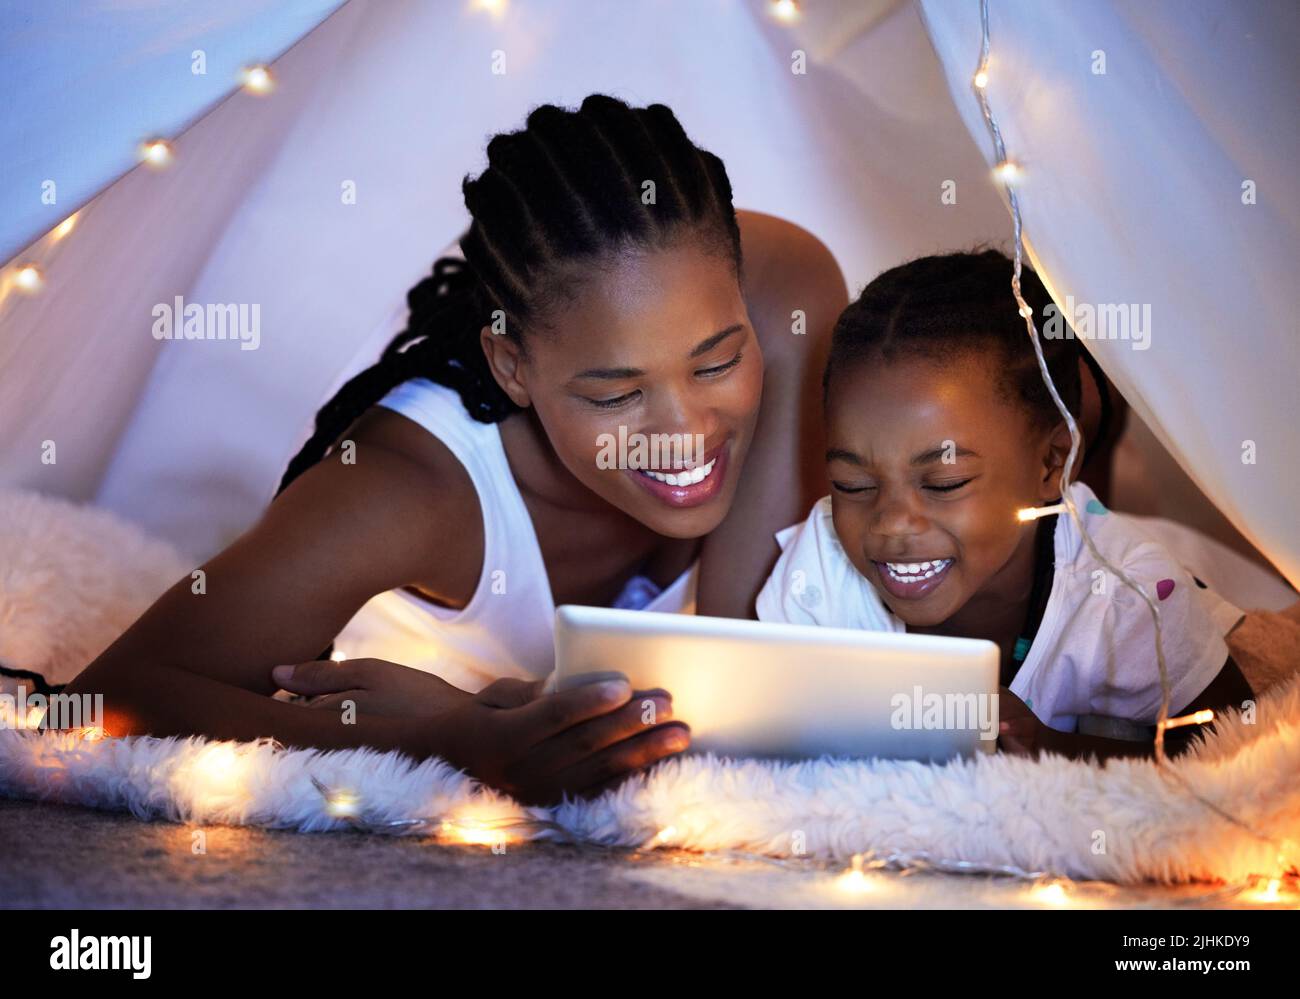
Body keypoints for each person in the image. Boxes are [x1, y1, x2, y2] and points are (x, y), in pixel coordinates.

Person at [65, 95, 848, 804]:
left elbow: (756, 680)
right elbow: (101, 699)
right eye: (614, 395)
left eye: (716, 362)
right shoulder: (406, 487)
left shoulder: (784, 303)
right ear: (512, 367)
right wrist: (438, 735)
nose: (684, 432)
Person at [756, 250, 1253, 761]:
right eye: (853, 484)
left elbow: (1237, 748)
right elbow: (771, 731)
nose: (893, 524)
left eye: (944, 483)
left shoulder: (1127, 596)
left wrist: (1051, 748)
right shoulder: (823, 566)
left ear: (1050, 465)